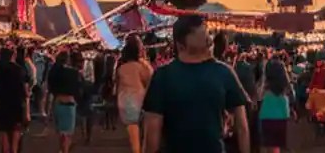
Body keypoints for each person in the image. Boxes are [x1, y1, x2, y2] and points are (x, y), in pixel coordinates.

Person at [142, 14, 250, 153]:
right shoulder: (163, 76)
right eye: (199, 32)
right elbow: (151, 134)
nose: (207, 37)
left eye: (206, 32)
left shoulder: (224, 73)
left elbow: (242, 127)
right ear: (181, 44)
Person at [116, 34, 154, 153]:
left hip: (125, 100)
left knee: (134, 135)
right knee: (144, 134)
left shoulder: (121, 68)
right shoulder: (141, 66)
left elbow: (117, 85)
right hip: (140, 99)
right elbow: (150, 80)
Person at [0, 48, 27, 153]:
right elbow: (22, 88)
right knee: (16, 129)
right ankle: (14, 150)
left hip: (1, 101)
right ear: (12, 56)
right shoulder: (18, 69)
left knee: (4, 130)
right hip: (16, 101)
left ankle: (6, 150)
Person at [46, 50, 83, 153]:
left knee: (62, 133)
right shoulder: (74, 73)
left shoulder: (54, 71)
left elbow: (51, 87)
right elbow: (78, 89)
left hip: (58, 103)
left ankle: (62, 149)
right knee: (68, 134)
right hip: (69, 104)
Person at [258, 58, 292, 153]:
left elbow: (259, 97)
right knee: (276, 146)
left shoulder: (265, 86)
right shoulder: (285, 86)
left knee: (268, 145)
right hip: (282, 115)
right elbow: (292, 96)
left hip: (266, 115)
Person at [74, 50, 95, 143]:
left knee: (83, 114)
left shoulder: (79, 68)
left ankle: (85, 135)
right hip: (87, 89)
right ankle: (87, 136)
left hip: (83, 90)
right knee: (87, 114)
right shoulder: (89, 63)